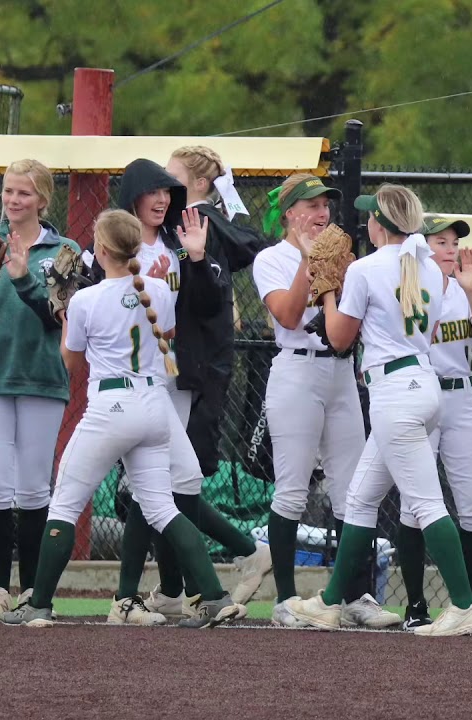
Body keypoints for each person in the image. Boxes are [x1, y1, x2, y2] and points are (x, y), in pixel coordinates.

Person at [1, 210, 243, 628]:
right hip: (153, 405)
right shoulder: (157, 290)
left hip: (111, 407)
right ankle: (215, 597)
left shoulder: (86, 299)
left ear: (104, 249)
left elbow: (70, 362)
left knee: (64, 503)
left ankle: (38, 603)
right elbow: (164, 335)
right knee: (162, 507)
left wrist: (63, 318)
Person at [282, 184, 472, 636]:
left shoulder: (367, 269)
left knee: (428, 504)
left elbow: (337, 338)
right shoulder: (432, 269)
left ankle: (466, 605)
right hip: (423, 382)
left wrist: (329, 289)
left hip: (396, 391)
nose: (366, 220)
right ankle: (331, 601)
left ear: (379, 224)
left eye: (370, 215)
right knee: (361, 498)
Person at [100, 159, 267, 624]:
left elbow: (211, 301)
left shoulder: (180, 239)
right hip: (132, 378)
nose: (161, 199)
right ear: (133, 194)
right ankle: (169, 588)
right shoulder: (116, 244)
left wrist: (196, 258)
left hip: (175, 376)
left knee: (165, 482)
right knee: (153, 484)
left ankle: (159, 593)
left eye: (168, 192)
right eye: (153, 191)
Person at [252, 174, 391, 628]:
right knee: (292, 487)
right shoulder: (271, 258)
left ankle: (352, 596)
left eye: (325, 206)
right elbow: (289, 315)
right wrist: (308, 264)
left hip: (340, 371)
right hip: (296, 370)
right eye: (310, 206)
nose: (321, 214)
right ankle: (286, 601)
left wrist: (341, 271)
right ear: (290, 213)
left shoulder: (345, 259)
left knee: (353, 490)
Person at [0, 159, 82, 620]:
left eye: (24, 193)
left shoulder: (66, 249)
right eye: (9, 191)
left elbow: (62, 317)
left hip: (41, 379)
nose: (14, 200)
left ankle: (31, 591)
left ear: (43, 200)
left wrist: (23, 278)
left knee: (33, 489)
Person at [162, 147, 273, 599]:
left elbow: (248, 246)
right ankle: (174, 589)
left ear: (201, 185)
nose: (162, 185)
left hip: (199, 366)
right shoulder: (198, 224)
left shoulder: (197, 221)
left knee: (173, 482)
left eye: (172, 177)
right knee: (164, 482)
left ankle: (245, 550)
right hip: (192, 363)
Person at [394, 214, 472, 630]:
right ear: (422, 247)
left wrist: (471, 291)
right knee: (415, 504)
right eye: (441, 242)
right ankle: (415, 605)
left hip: (461, 394)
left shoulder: (466, 287)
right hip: (420, 394)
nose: (451, 249)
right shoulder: (408, 286)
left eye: (454, 242)